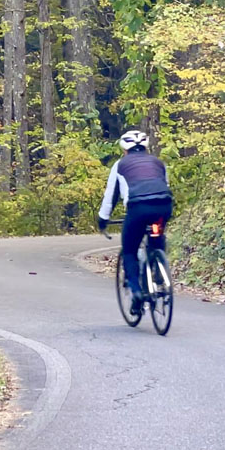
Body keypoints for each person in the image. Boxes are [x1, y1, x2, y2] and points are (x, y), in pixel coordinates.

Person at [98, 130, 173, 314]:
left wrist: (103, 219)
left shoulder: (120, 165)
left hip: (138, 208)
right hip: (163, 206)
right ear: (145, 147)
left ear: (124, 149)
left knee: (130, 250)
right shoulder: (158, 163)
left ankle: (137, 291)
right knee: (157, 236)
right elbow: (165, 185)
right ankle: (158, 271)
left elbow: (111, 196)